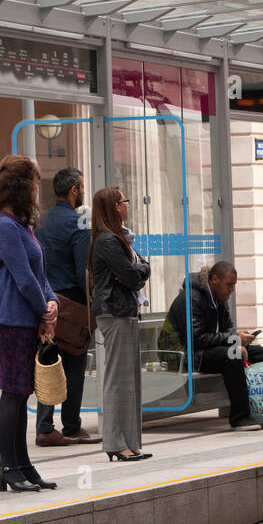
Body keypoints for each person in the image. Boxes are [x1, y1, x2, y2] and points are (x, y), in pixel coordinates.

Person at [0, 155, 59, 492]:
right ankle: (7, 467)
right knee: (11, 395)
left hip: (25, 319)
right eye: (36, 183)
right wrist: (44, 313)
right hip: (10, 320)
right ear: (23, 186)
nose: (39, 190)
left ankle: (23, 465)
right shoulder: (2, 227)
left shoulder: (20, 225)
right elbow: (24, 279)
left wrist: (51, 302)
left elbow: (39, 274)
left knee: (20, 393)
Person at [168, 261, 263, 430]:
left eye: (234, 284)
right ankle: (239, 418)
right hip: (183, 353)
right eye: (229, 284)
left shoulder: (219, 297)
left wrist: (238, 340)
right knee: (232, 357)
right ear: (214, 280)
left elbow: (227, 327)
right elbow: (196, 339)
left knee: (260, 354)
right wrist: (233, 339)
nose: (232, 289)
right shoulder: (192, 298)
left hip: (204, 349)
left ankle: (261, 411)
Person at [34, 167, 100, 446]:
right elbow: (81, 272)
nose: (82, 191)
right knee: (74, 364)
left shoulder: (41, 220)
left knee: (48, 361)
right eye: (81, 187)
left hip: (44, 302)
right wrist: (92, 306)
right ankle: (71, 425)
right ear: (75, 190)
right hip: (71, 306)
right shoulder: (78, 224)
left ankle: (44, 425)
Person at [88, 186, 152, 461]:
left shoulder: (118, 240)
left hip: (123, 310)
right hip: (114, 312)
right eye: (126, 201)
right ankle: (116, 442)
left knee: (130, 380)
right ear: (116, 206)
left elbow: (138, 269)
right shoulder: (108, 242)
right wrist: (139, 269)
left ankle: (129, 442)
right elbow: (135, 276)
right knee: (118, 379)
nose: (129, 205)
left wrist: (139, 268)